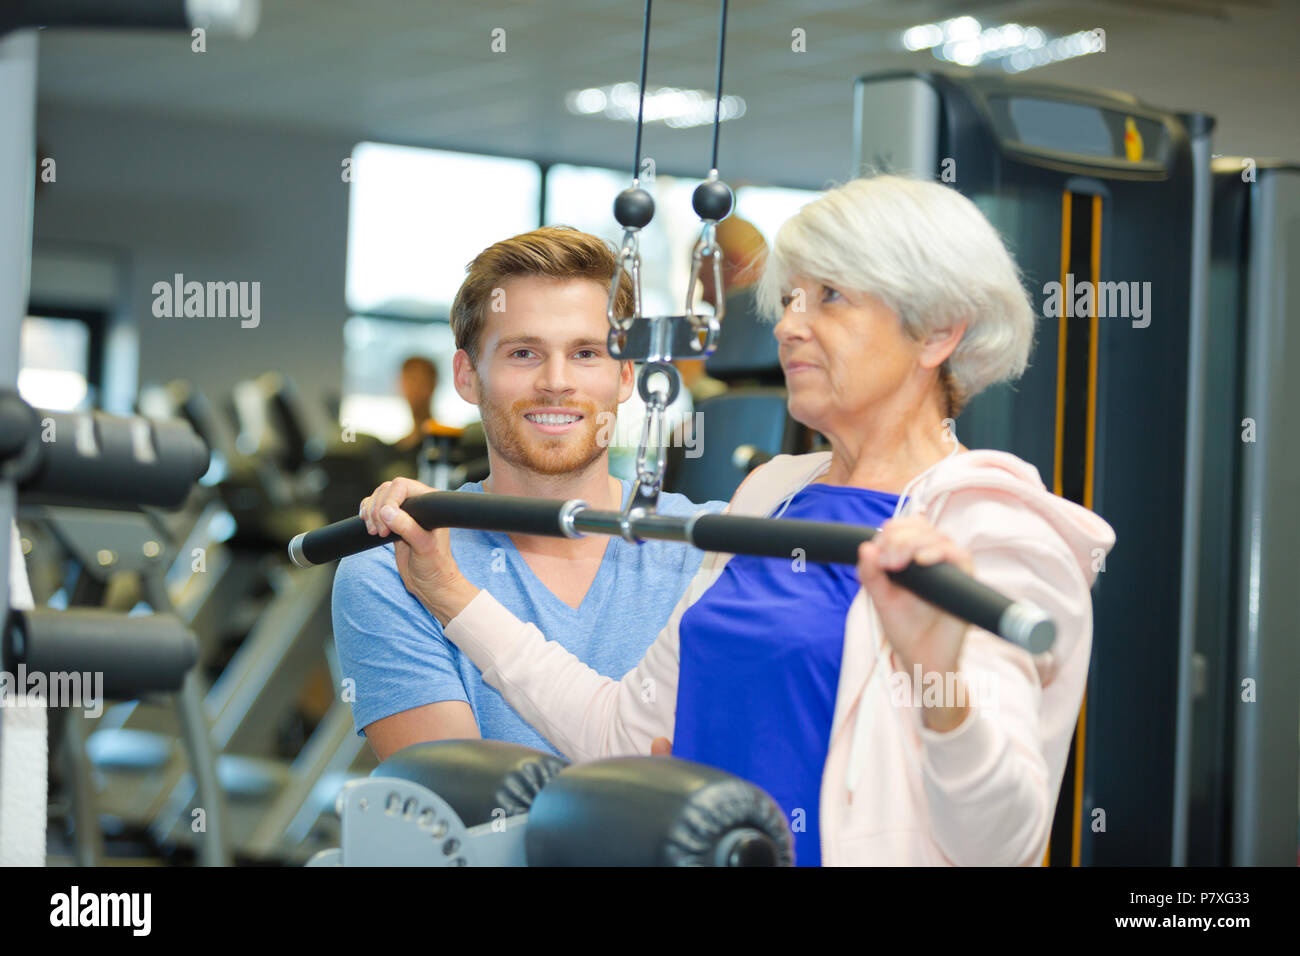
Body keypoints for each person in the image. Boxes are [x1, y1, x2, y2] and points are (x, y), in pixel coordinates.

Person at [360, 176, 1116, 866]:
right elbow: (619, 733)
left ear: (938, 332)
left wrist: (940, 683)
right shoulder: (769, 497)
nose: (789, 325)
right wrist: (451, 595)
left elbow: (1003, 842)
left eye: (829, 297)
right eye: (789, 298)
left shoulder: (998, 528)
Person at [334, 226, 723, 762]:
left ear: (627, 374)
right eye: (523, 353)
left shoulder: (712, 550)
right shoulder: (390, 574)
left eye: (587, 352)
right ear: (467, 376)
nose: (557, 382)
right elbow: (462, 812)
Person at [393, 356, 440, 452]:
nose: (414, 389)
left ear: (433, 384)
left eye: (419, 381)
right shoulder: (398, 448)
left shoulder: (442, 444)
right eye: (408, 380)